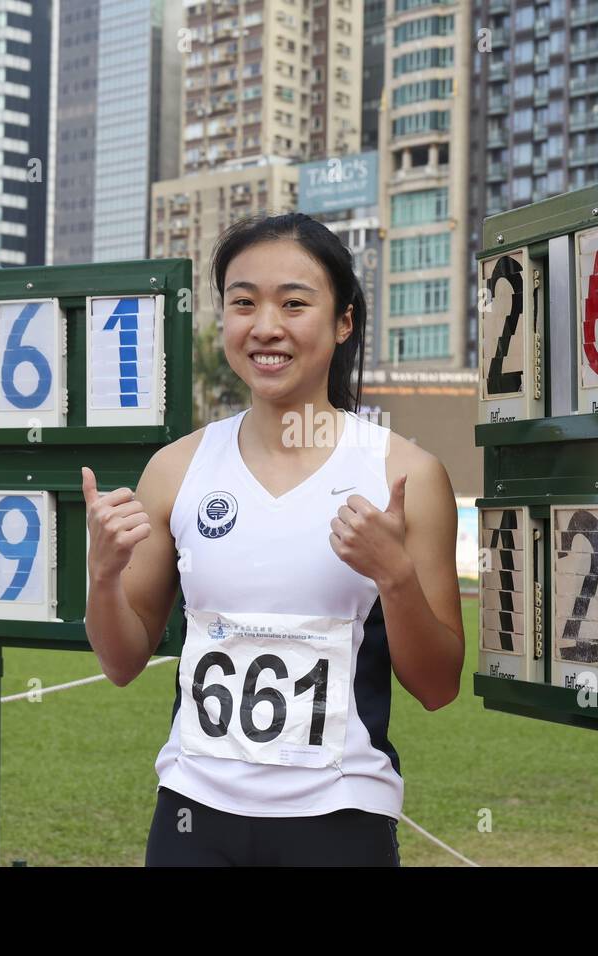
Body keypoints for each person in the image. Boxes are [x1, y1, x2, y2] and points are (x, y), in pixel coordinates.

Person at [81, 212, 465, 866]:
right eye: (243, 303)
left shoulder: (405, 475)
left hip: (341, 820)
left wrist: (395, 577)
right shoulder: (176, 469)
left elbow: (437, 686)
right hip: (191, 815)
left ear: (344, 322)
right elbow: (120, 663)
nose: (265, 327)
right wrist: (104, 575)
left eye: (294, 303)